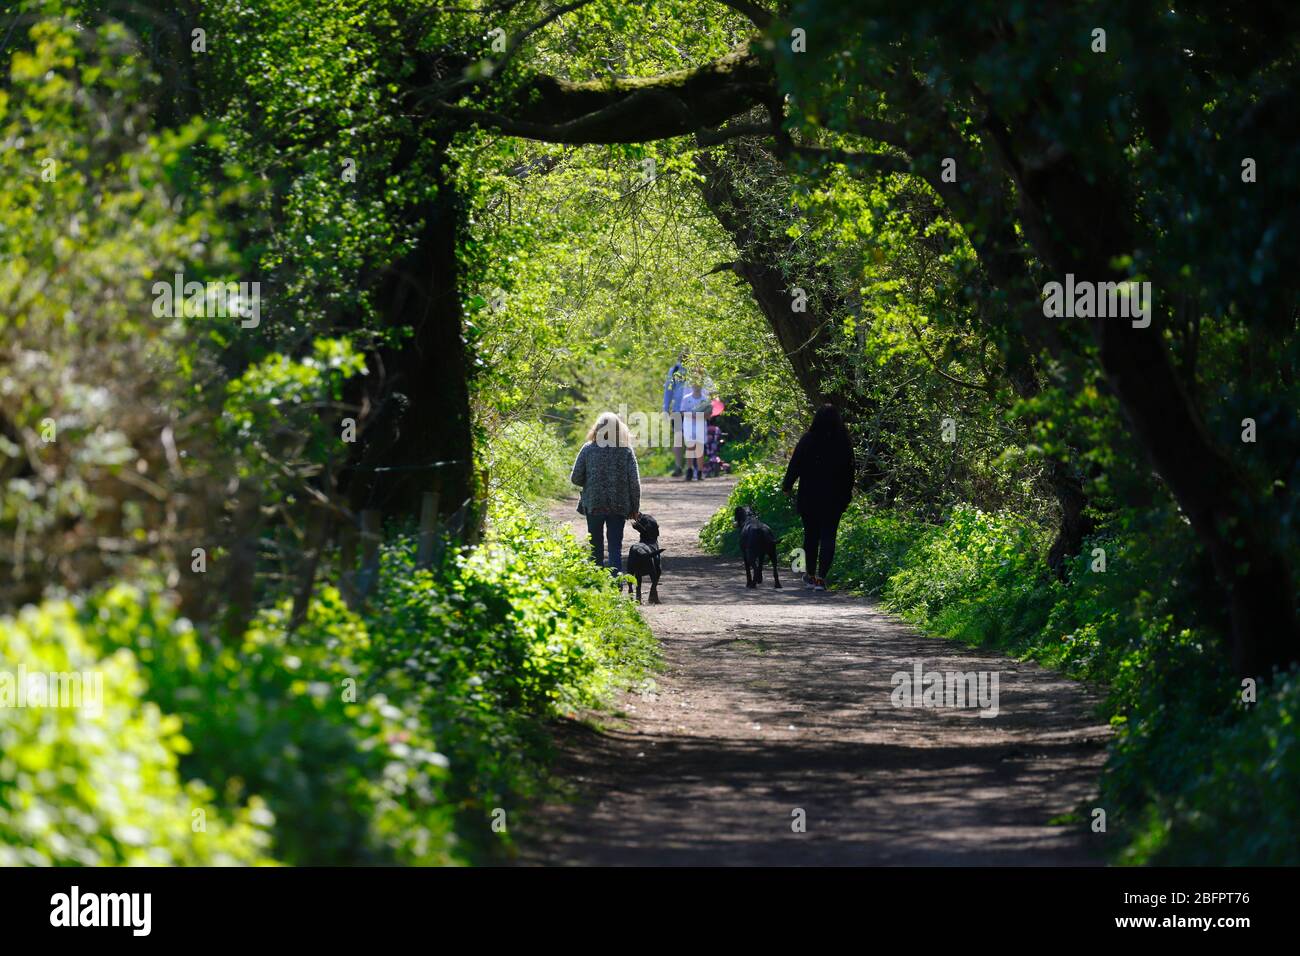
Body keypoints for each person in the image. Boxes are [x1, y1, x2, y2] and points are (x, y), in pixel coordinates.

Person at [782, 404, 855, 591]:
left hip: (809, 496)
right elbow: (850, 473)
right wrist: (846, 496)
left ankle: (810, 575)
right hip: (834, 498)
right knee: (829, 536)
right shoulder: (844, 442)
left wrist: (787, 486)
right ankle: (822, 578)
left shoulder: (808, 439)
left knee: (811, 536)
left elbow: (795, 464)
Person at [570, 411, 641, 574]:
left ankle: (597, 586)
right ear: (619, 430)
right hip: (619, 506)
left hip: (594, 505)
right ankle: (616, 584)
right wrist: (635, 508)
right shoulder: (626, 451)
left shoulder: (588, 449)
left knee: (595, 547)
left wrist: (591, 482)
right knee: (615, 547)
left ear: (597, 429)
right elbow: (634, 483)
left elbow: (575, 478)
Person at [662, 353, 688, 476]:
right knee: (678, 438)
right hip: (677, 410)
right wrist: (665, 408)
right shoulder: (674, 371)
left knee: (692, 438)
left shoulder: (697, 370)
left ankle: (691, 467)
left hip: (693, 410)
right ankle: (678, 467)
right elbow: (668, 390)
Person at [679, 381, 711, 481]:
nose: (696, 386)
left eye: (699, 385)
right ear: (692, 385)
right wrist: (693, 415)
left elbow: (709, 414)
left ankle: (700, 471)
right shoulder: (686, 398)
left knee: (699, 448)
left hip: (700, 425)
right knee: (690, 447)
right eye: (695, 385)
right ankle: (690, 469)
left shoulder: (705, 399)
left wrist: (700, 415)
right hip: (689, 425)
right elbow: (683, 412)